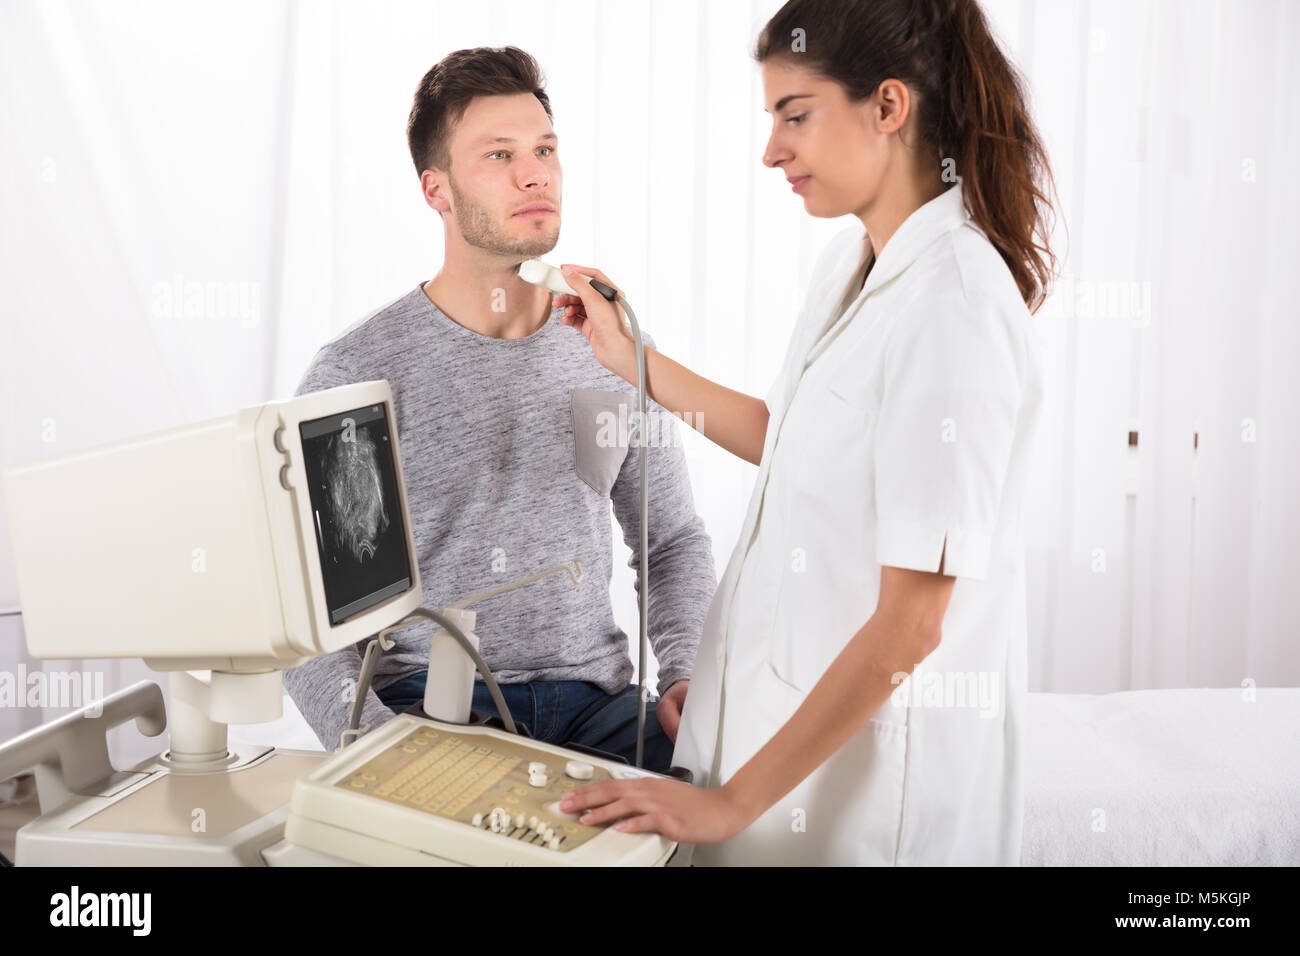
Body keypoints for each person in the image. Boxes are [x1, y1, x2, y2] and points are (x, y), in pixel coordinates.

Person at [554, 0, 1058, 864]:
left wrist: (725, 809)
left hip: (868, 803)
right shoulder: (857, 263)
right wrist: (635, 360)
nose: (772, 150)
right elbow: (782, 435)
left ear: (889, 107)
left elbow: (912, 626)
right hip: (771, 760)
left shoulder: (956, 309)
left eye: (796, 115)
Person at [284, 46, 717, 773]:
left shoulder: (611, 346)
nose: (535, 173)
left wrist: (683, 674)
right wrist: (373, 745)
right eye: (499, 155)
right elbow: (305, 614)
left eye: (545, 149)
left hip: (597, 707)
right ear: (437, 190)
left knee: (727, 822)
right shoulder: (356, 373)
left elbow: (671, 539)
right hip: (433, 708)